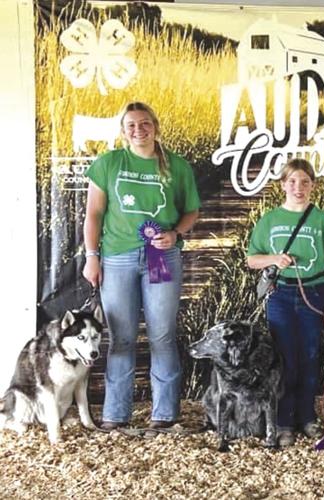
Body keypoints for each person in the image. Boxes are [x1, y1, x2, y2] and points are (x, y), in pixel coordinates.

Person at [83, 101, 201, 430]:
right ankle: (115, 414)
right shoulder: (108, 163)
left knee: (162, 334)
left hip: (161, 257)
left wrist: (175, 233)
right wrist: (92, 257)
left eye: (145, 123)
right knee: (121, 336)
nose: (139, 130)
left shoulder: (177, 166)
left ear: (155, 126)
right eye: (131, 125)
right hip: (117, 258)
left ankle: (165, 414)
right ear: (123, 131)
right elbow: (93, 214)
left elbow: (191, 211)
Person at [247, 159, 324, 446]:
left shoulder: (322, 220)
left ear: (313, 185)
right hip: (280, 294)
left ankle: (308, 417)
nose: (298, 187)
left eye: (304, 182)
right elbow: (252, 259)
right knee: (284, 359)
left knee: (310, 356)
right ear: (282, 185)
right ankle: (283, 422)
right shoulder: (269, 220)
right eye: (292, 182)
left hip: (313, 294)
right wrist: (274, 259)